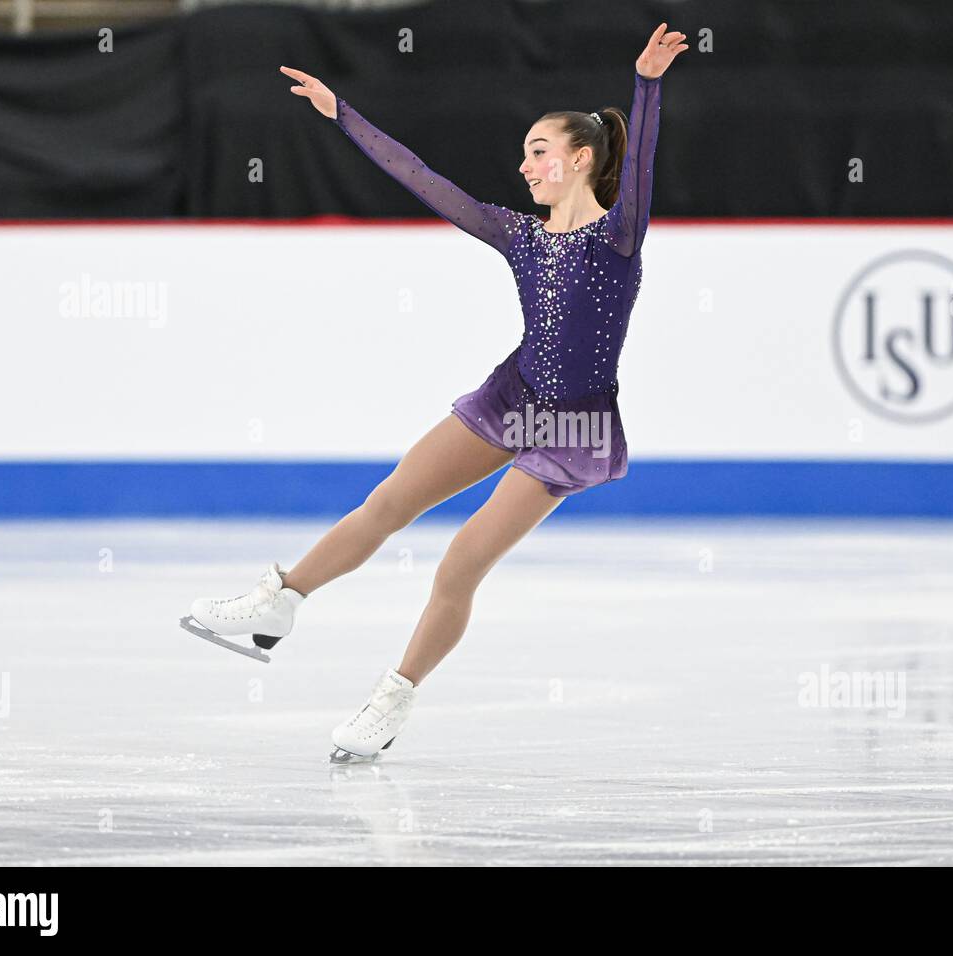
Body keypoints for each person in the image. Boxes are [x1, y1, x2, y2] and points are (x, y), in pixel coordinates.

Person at [179, 24, 687, 763]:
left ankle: (392, 700)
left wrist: (646, 84)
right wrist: (341, 113)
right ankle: (280, 600)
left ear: (579, 160)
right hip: (514, 394)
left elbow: (638, 162)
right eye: (523, 154)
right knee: (388, 502)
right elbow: (421, 177)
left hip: (572, 429)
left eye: (537, 151)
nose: (524, 166)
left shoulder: (619, 239)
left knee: (458, 564)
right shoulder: (520, 235)